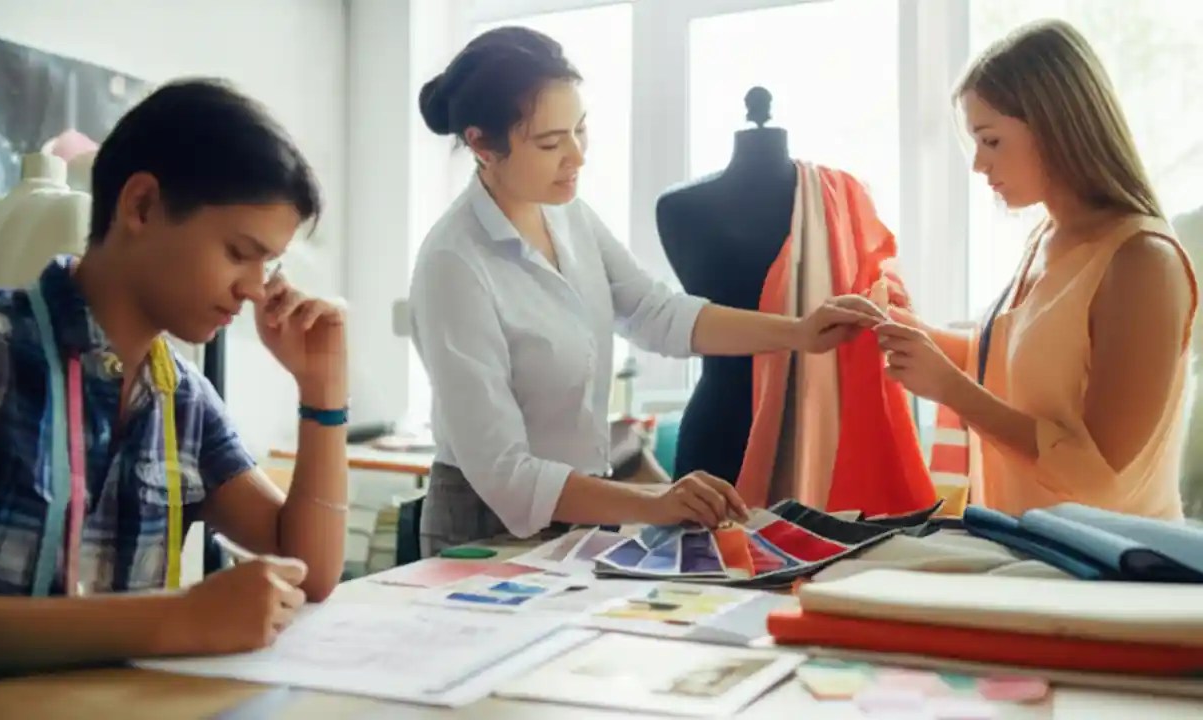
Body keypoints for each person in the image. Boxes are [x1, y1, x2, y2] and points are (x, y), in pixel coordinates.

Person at [0, 79, 350, 691]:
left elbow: (309, 570)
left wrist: (322, 390)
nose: (256, 289)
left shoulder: (181, 395)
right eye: (238, 252)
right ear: (142, 206)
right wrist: (172, 619)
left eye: (268, 265)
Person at [409, 27, 887, 556]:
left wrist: (798, 332)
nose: (577, 156)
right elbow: (505, 474)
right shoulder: (454, 262)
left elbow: (653, 312)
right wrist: (655, 502)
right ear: (481, 144)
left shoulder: (567, 214)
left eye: (580, 131)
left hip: (580, 516)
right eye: (550, 142)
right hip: (484, 525)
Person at [877, 20, 1197, 520]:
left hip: (1118, 575)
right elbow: (1009, 361)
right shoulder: (1045, 239)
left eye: (991, 140)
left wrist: (948, 389)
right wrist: (899, 330)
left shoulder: (1142, 263)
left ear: (1056, 127)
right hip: (1030, 556)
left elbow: (1098, 475)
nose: (978, 165)